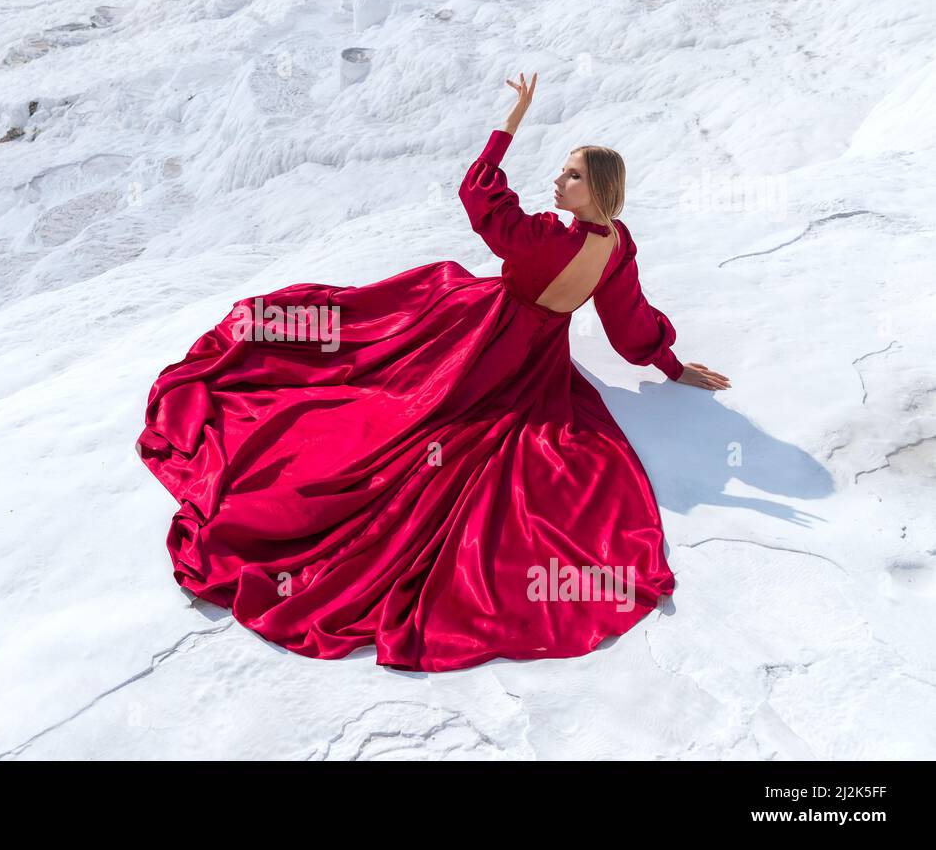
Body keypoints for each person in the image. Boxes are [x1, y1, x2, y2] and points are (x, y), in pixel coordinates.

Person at [137, 72, 730, 672]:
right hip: (537, 362)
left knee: (378, 366)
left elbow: (480, 195)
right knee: (424, 331)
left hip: (485, 338)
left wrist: (510, 124)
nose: (558, 178)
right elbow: (627, 321)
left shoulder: (545, 239)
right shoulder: (618, 244)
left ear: (597, 187)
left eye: (571, 173)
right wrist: (670, 364)